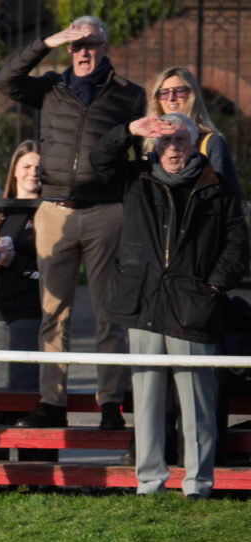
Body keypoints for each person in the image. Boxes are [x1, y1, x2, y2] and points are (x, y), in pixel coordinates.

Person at [0, 15, 145, 431]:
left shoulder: (130, 95)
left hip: (106, 213)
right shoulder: (51, 87)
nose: (82, 51)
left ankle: (111, 402)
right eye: (75, 44)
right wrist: (45, 42)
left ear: (105, 47)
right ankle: (51, 401)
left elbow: (141, 154)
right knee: (53, 312)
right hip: (54, 211)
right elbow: (6, 80)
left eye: (90, 43)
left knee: (109, 314)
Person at [91, 112, 249, 498]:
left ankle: (197, 483)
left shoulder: (216, 185)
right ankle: (149, 483)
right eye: (166, 140)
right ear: (155, 144)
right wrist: (129, 130)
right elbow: (100, 161)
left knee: (197, 399)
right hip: (142, 301)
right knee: (146, 398)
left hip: (192, 304)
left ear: (194, 144)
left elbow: (237, 243)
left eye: (181, 139)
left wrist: (212, 286)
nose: (173, 147)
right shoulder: (137, 177)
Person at [0, 142, 46, 461]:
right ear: (15, 172)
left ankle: (32, 470)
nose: (33, 173)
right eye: (27, 166)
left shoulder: (51, 211)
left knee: (24, 395)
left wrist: (15, 261)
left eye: (39, 168)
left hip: (31, 313)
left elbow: (52, 272)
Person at [145, 65, 239, 202]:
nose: (171, 98)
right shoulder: (151, 142)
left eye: (179, 91)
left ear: (192, 96)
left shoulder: (210, 142)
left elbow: (225, 197)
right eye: (164, 93)